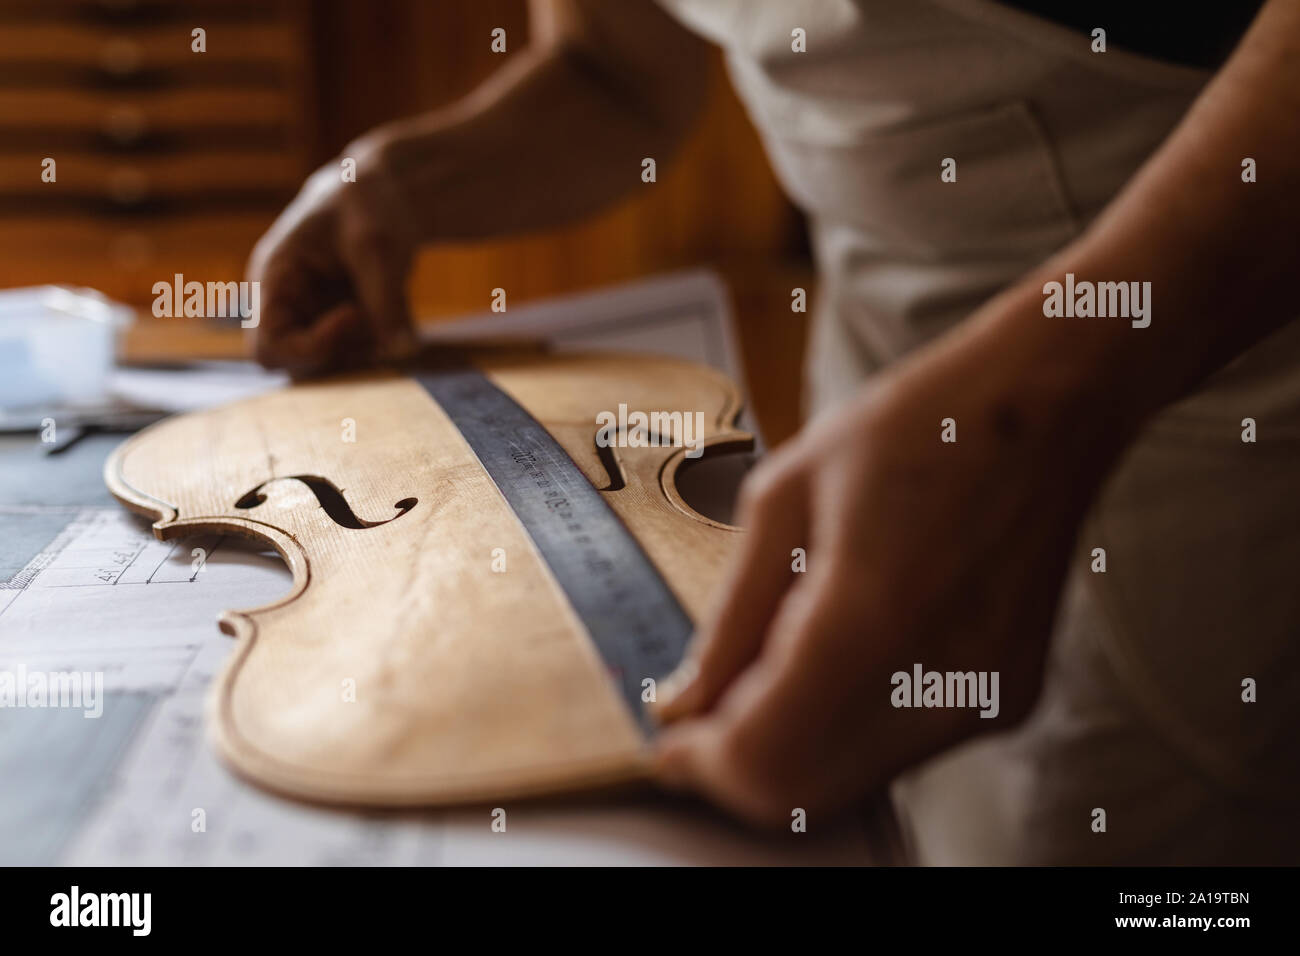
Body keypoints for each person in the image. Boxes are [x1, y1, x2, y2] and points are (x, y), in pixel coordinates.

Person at [248, 0, 1300, 864]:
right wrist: (394, 181)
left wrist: (1040, 405)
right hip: (876, 382)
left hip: (1192, 386)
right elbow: (615, 74)